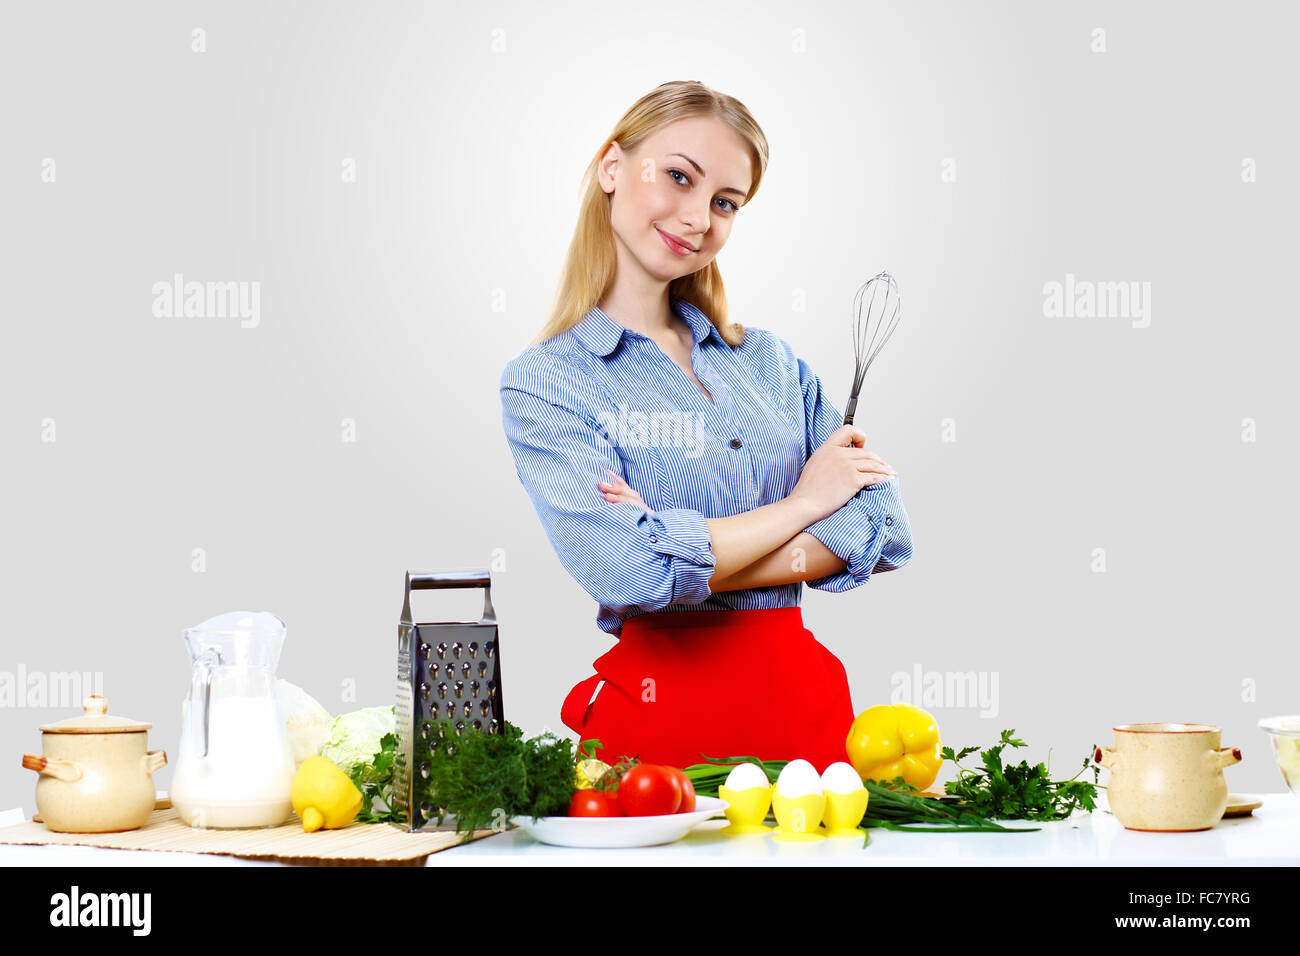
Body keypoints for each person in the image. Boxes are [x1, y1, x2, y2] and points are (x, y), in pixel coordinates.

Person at [499, 80, 912, 773]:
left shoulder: (771, 363)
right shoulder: (547, 382)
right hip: (659, 740)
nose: (698, 217)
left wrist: (683, 551)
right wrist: (807, 504)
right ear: (612, 168)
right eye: (679, 177)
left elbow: (883, 529)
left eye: (725, 202)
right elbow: (630, 571)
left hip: (809, 723)